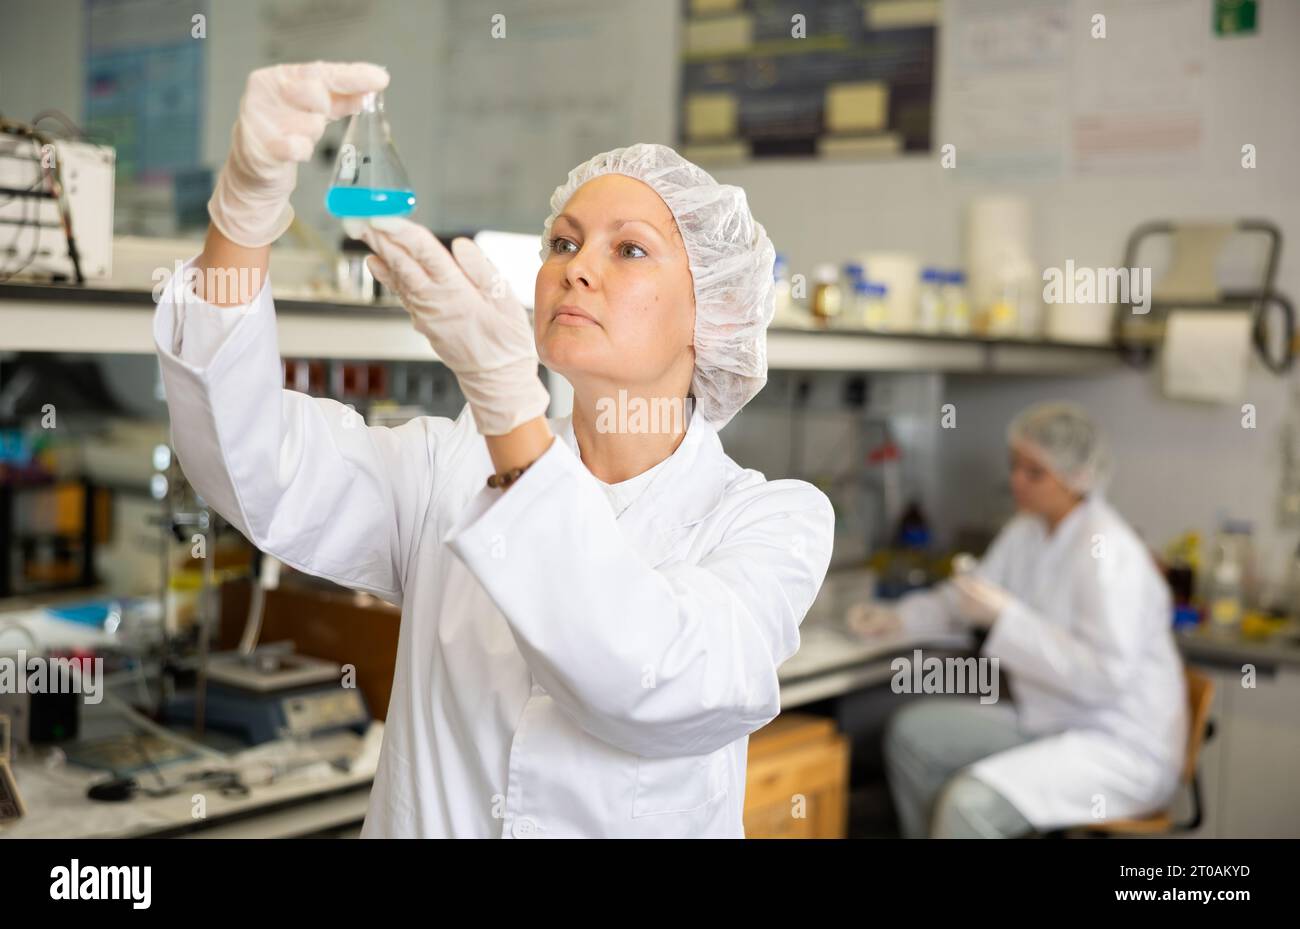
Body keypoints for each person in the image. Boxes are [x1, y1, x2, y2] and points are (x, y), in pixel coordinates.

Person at [152, 62, 834, 838]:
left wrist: (508, 399)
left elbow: (656, 682)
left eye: (630, 250)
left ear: (712, 311)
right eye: (564, 241)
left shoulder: (771, 521)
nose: (576, 266)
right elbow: (247, 460)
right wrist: (243, 208)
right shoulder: (449, 469)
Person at [854, 402, 1187, 838]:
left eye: (1035, 473)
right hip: (1050, 716)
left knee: (968, 806)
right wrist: (899, 619)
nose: (1016, 481)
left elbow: (1105, 677)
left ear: (1077, 477)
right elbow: (967, 597)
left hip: (1119, 743)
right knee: (914, 735)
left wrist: (1007, 618)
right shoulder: (1027, 530)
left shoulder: (1109, 554)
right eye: (1015, 466)